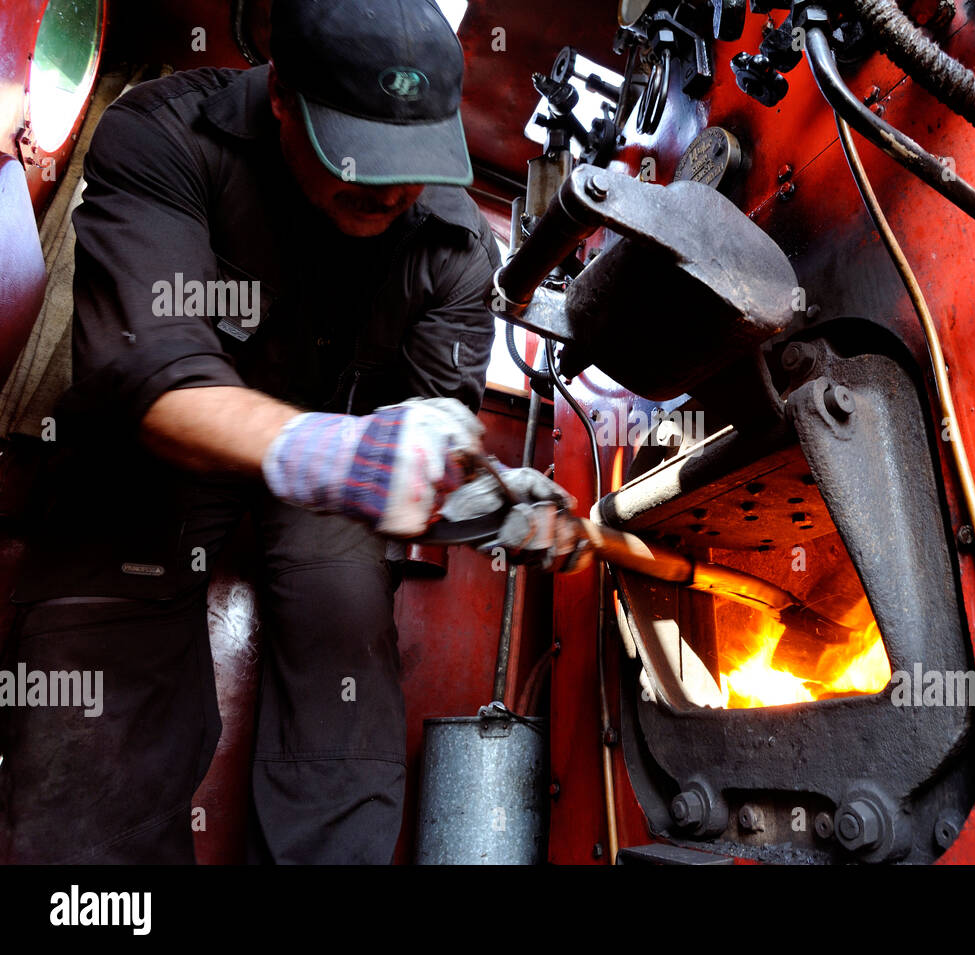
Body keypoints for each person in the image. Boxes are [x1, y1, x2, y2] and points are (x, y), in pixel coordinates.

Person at [0, 0, 573, 864]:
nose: (392, 191)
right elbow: (149, 376)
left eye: (414, 163)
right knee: (94, 706)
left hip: (335, 474)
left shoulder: (455, 247)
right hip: (168, 449)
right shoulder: (163, 136)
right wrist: (331, 454)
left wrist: (484, 505)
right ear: (280, 95)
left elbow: (433, 444)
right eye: (360, 157)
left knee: (347, 660)